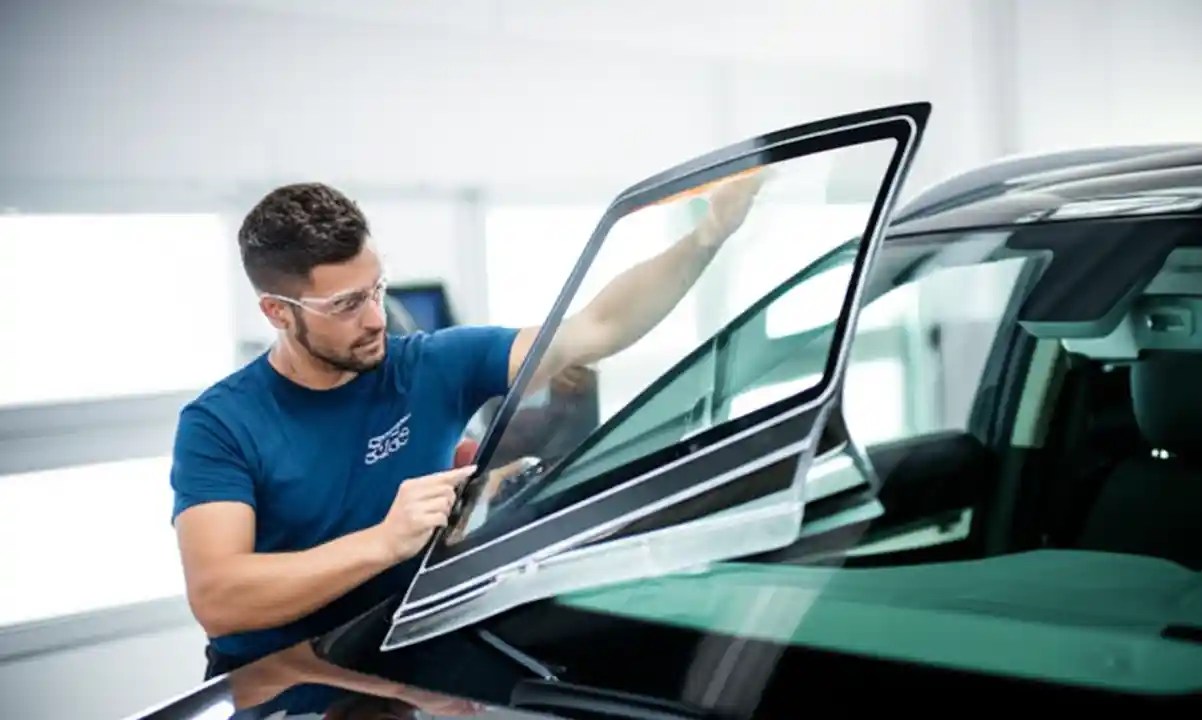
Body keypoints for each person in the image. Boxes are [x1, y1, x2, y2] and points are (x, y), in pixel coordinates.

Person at [169, 174, 764, 678]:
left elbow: (596, 327)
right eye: (346, 305)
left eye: (376, 289)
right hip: (277, 691)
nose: (377, 319)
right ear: (277, 311)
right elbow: (220, 598)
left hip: (408, 671)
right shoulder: (221, 423)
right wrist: (385, 541)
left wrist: (710, 234)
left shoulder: (429, 366)